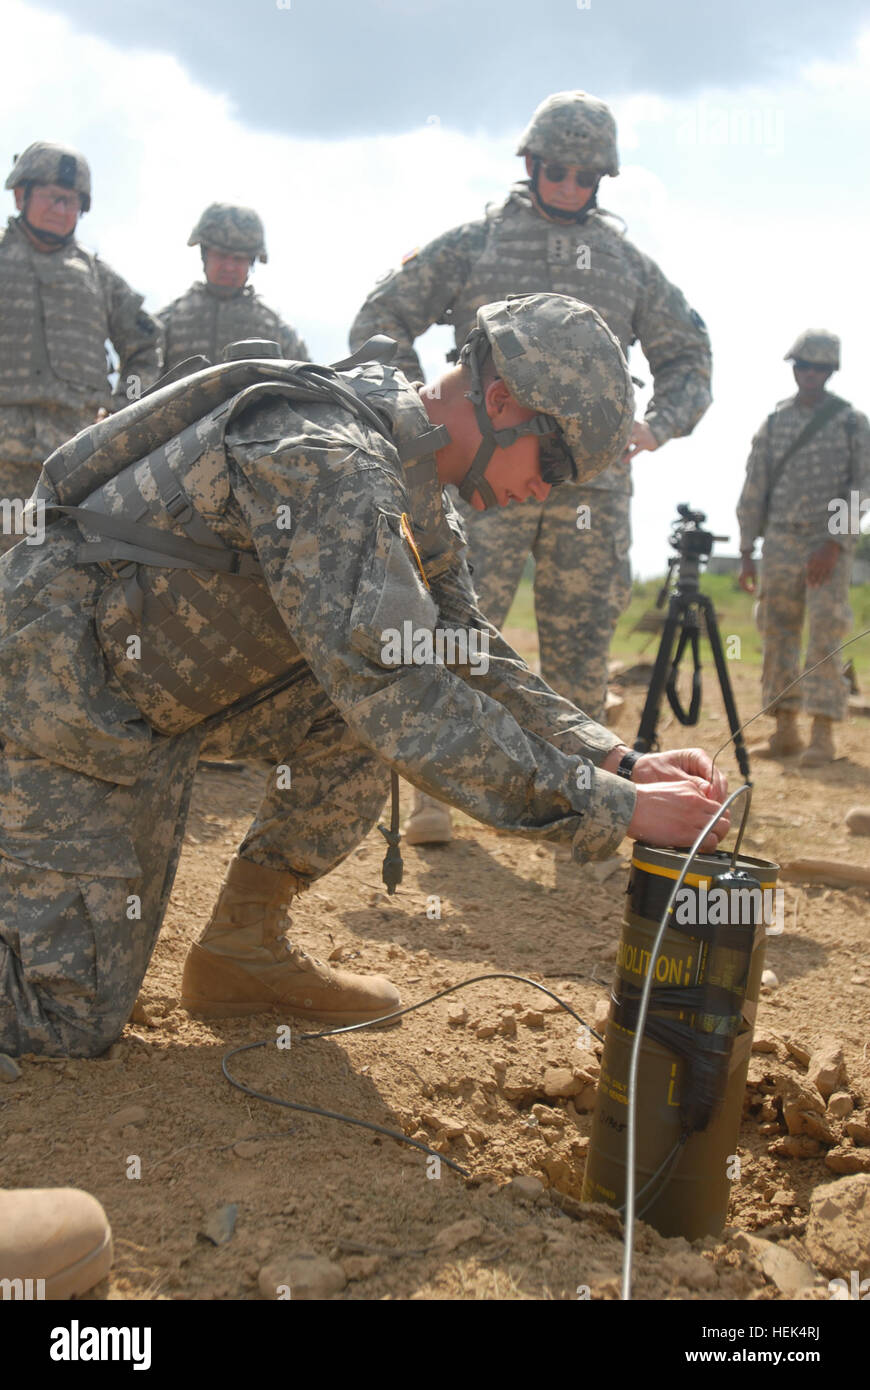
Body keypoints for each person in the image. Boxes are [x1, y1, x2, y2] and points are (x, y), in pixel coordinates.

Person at [0, 292, 729, 1060]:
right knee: (53, 1024)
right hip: (59, 701)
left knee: (364, 703)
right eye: (550, 463)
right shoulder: (332, 458)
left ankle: (241, 952)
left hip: (161, 700)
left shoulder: (412, 472)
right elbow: (401, 693)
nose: (545, 491)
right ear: (503, 398)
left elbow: (462, 652)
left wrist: (618, 761)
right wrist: (614, 808)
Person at [349, 90, 712, 844]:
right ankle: (431, 796)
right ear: (531, 162)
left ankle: (596, 807)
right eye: (558, 169)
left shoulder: (627, 265)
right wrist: (426, 421)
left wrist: (657, 426)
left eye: (586, 175)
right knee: (453, 628)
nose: (570, 186)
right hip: (483, 479)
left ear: (603, 180)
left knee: (580, 644)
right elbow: (379, 319)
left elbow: (690, 355)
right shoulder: (476, 244)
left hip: (594, 489)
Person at [0, 142, 160, 553]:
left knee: (62, 580)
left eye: (72, 201)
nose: (62, 209)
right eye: (53, 197)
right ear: (21, 195)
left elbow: (146, 343)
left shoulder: (98, 277)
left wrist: (125, 407)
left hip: (73, 465)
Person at [737, 330, 870, 765]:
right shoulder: (775, 423)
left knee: (825, 635)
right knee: (777, 633)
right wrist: (745, 549)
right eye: (802, 366)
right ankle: (785, 730)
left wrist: (833, 542)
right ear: (794, 369)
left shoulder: (851, 422)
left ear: (830, 371)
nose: (809, 374)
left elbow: (863, 484)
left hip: (824, 544)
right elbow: (755, 487)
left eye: (818, 367)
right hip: (779, 541)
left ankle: (822, 735)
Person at [157, 203, 308, 372]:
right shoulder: (167, 323)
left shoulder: (277, 331)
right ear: (204, 254)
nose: (229, 267)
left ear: (251, 261)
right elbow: (136, 389)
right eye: (221, 256)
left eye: (238, 259)